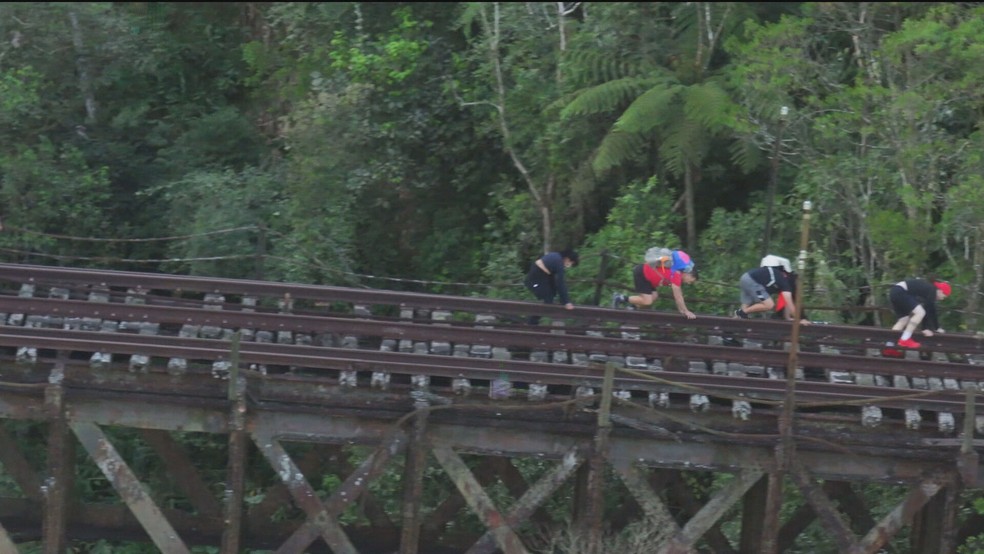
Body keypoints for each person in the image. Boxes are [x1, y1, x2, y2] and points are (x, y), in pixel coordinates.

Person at [612, 248, 698, 319]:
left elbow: (678, 297)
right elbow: (678, 296)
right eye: (690, 280)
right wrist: (686, 311)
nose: (688, 283)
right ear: (688, 273)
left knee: (654, 296)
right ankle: (620, 298)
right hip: (642, 274)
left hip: (647, 276)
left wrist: (682, 311)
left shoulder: (676, 269)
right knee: (647, 301)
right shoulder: (677, 274)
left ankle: (632, 308)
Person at [886, 279, 950, 349]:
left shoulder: (930, 289)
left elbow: (932, 311)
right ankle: (905, 339)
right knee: (920, 312)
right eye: (943, 296)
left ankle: (889, 344)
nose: (942, 299)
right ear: (940, 291)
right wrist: (924, 328)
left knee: (903, 319)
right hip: (901, 292)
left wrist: (937, 327)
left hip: (895, 291)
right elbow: (928, 310)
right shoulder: (932, 291)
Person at [734, 254, 799, 320]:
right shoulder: (783, 278)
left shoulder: (769, 273)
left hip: (745, 277)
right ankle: (742, 312)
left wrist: (787, 317)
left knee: (746, 306)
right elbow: (789, 302)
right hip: (752, 281)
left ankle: (737, 319)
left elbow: (786, 302)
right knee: (769, 305)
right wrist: (798, 320)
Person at [524, 249, 579, 324]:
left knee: (552, 293)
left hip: (542, 277)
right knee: (548, 299)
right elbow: (560, 283)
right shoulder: (558, 262)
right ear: (567, 259)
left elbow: (556, 283)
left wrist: (564, 300)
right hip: (535, 280)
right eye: (571, 263)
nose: (569, 266)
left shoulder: (556, 257)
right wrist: (566, 302)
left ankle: (533, 321)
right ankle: (531, 322)